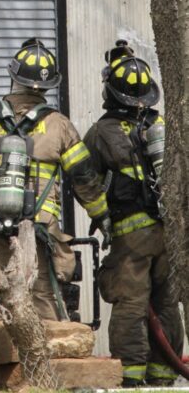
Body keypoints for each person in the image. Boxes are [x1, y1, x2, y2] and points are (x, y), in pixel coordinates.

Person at [0, 38, 111, 320]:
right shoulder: (61, 127)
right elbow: (84, 180)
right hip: (40, 235)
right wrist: (103, 217)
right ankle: (42, 365)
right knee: (43, 304)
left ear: (13, 76)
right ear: (48, 85)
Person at [83, 39, 182, 388]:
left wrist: (103, 217)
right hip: (168, 234)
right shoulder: (165, 126)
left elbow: (83, 178)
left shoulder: (101, 133)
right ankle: (164, 374)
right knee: (167, 302)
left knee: (130, 302)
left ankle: (131, 375)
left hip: (131, 234)